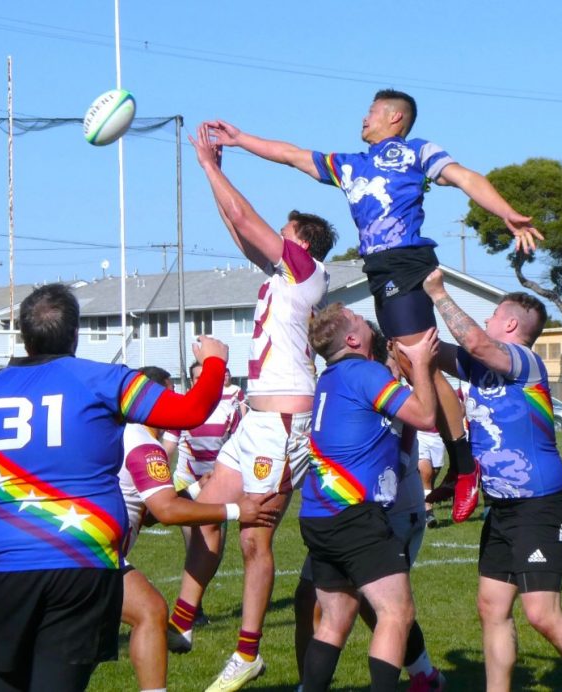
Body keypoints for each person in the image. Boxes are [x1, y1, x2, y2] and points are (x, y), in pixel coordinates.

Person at [203, 90, 544, 523]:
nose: (363, 119)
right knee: (411, 356)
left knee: (419, 355)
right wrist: (240, 139)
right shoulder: (350, 164)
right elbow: (290, 155)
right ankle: (468, 422)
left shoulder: (417, 152)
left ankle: (463, 463)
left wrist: (506, 212)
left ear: (395, 117)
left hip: (406, 261)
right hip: (380, 270)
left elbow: (466, 177)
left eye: (370, 112)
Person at [0, 283, 231, 692]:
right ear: (75, 335)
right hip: (83, 570)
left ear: (24, 336)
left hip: (9, 570)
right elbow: (191, 410)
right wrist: (215, 362)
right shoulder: (106, 380)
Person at [167, 123, 337, 692]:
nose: (274, 236)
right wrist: (215, 172)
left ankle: (247, 652)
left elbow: (246, 222)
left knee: (253, 537)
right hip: (255, 422)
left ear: (300, 243)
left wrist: (211, 164)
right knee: (206, 515)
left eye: (284, 231)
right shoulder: (280, 276)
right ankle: (183, 623)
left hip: (285, 423)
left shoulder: (308, 272)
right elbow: (236, 226)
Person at [421, 268, 562, 692]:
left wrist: (438, 293)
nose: (488, 322)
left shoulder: (526, 363)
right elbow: (427, 350)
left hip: (542, 503)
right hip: (504, 507)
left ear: (510, 324)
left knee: (542, 614)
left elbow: (475, 341)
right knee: (491, 607)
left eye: (494, 315)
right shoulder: (476, 368)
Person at [294, 323, 445, 692]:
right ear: (352, 339)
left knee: (336, 617)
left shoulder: (330, 377)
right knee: (396, 613)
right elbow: (426, 417)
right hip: (354, 516)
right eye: (357, 319)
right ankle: (418, 679)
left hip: (319, 513)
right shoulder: (364, 371)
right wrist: (422, 363)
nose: (367, 321)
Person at [119, 365, 277, 692]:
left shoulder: (126, 434)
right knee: (149, 613)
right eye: (167, 394)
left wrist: (194, 490)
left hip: (87, 552)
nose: (172, 400)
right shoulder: (141, 443)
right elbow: (165, 512)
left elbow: (147, 512)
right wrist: (236, 509)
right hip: (90, 556)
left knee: (147, 615)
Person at [163, 364, 245, 625]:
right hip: (188, 487)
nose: (204, 381)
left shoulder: (231, 410)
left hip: (219, 487)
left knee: (215, 553)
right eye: (198, 377)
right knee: (197, 548)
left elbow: (239, 446)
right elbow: (168, 447)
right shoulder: (185, 407)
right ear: (192, 380)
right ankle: (192, 612)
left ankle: (193, 606)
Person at [417, 428, 446, 528]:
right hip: (419, 432)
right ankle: (428, 513)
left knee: (433, 473)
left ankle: (424, 500)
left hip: (439, 435)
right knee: (426, 473)